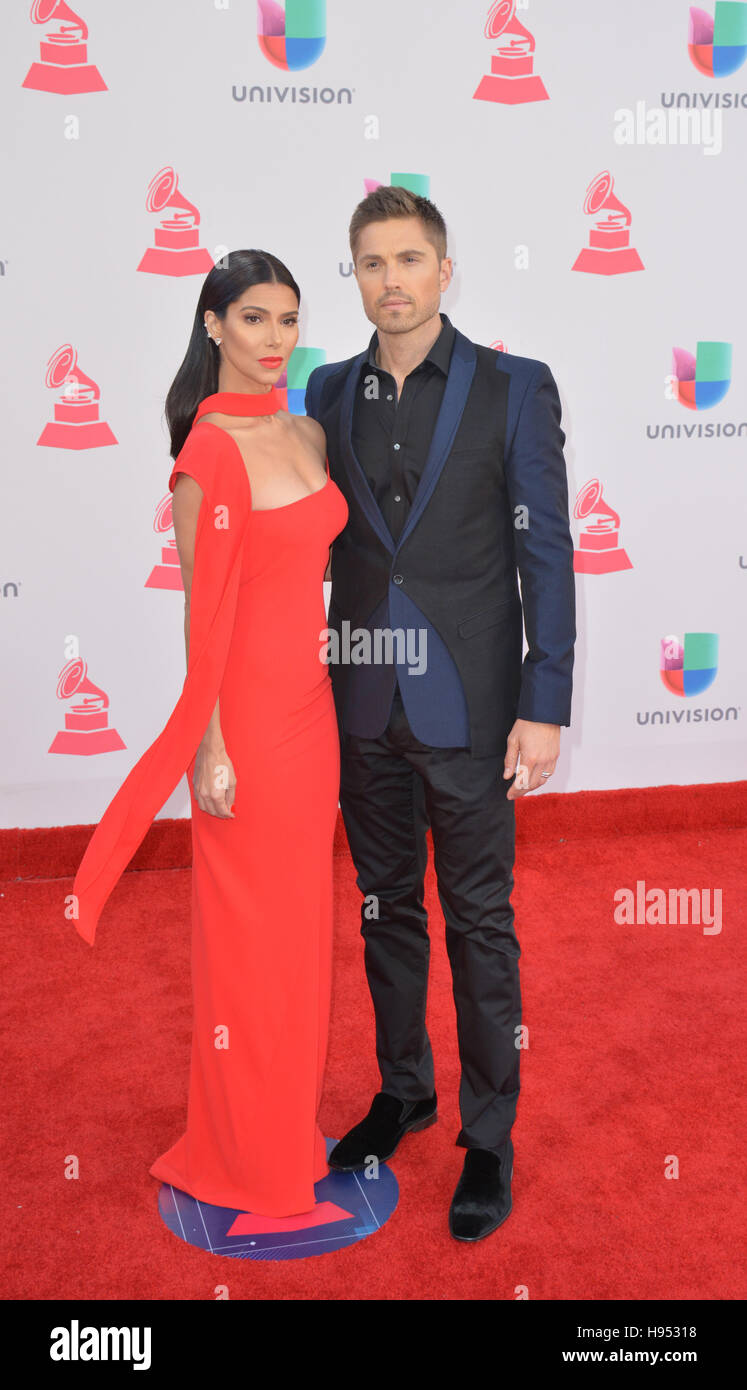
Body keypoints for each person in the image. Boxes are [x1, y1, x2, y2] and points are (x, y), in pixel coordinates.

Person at [305, 186, 576, 1242]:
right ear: (357, 275)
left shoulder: (513, 386)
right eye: (372, 263)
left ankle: (488, 1133)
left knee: (478, 922)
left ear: (445, 269)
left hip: (472, 704)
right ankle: (404, 1089)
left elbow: (545, 552)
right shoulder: (327, 391)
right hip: (362, 696)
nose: (392, 281)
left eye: (410, 260)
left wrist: (544, 702)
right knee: (383, 906)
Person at [71, 249, 348, 1217]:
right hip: (248, 735)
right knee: (249, 945)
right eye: (255, 320)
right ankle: (243, 1154)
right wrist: (210, 746)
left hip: (313, 721)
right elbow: (203, 613)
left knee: (303, 938)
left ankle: (282, 1127)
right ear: (213, 326)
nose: (275, 340)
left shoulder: (305, 429)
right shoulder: (207, 455)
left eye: (288, 321)